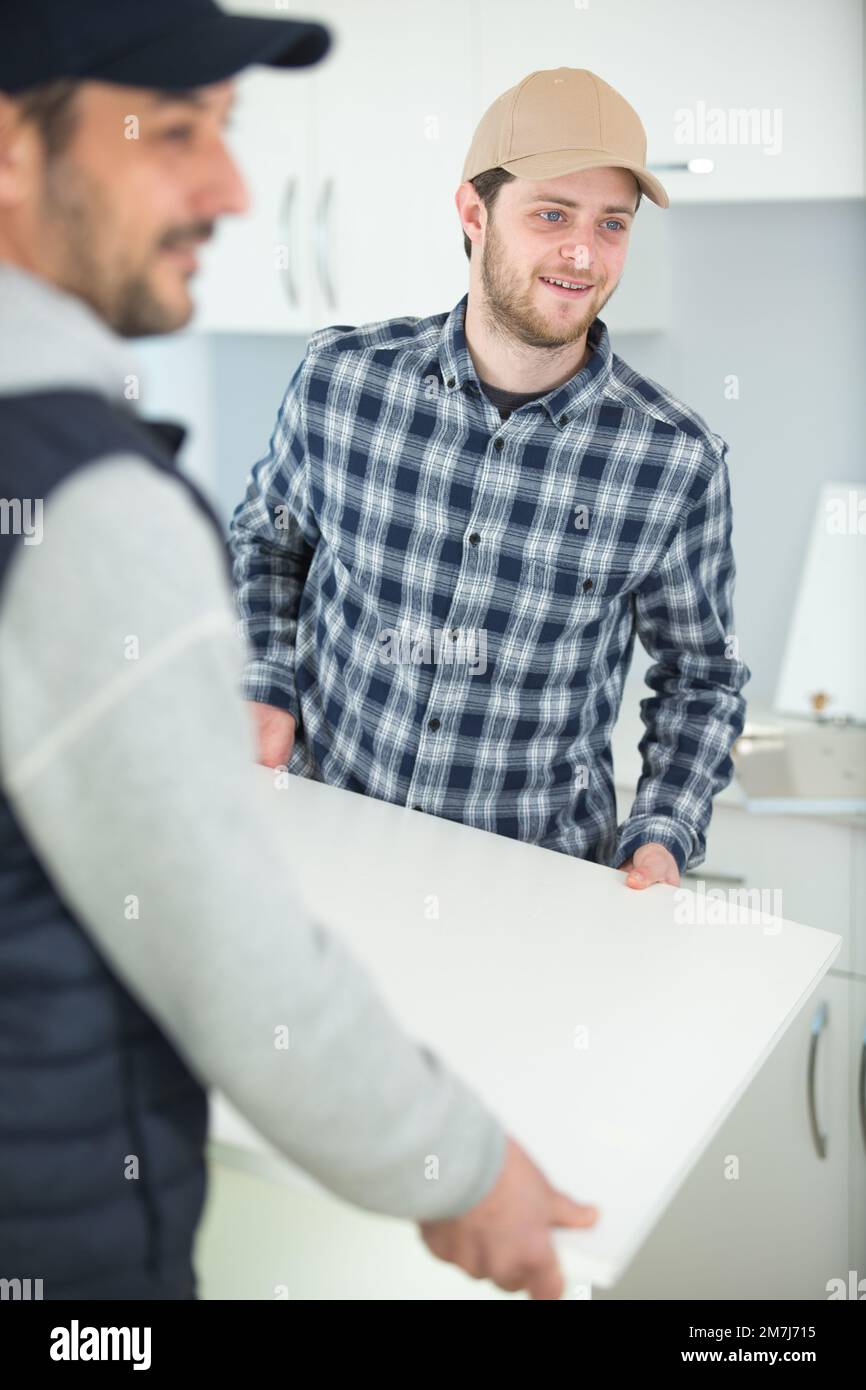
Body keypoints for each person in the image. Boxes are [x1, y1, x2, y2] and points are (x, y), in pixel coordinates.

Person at [0, 0, 597, 1302]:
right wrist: (463, 1165)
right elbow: (229, 949)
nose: (227, 185)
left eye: (226, 130)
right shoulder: (87, 504)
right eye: (171, 130)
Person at [232, 67, 751, 895]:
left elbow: (702, 676)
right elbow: (268, 544)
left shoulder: (675, 461)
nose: (583, 254)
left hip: (534, 893)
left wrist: (661, 834)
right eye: (551, 215)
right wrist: (264, 689)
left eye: (611, 223)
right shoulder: (341, 381)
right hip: (322, 850)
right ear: (474, 213)